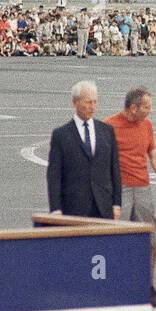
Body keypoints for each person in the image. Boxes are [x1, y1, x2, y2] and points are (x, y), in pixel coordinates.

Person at [106, 87, 156, 307]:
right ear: (133, 108)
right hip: (119, 190)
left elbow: (154, 154)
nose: (149, 112)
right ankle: (117, 285)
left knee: (149, 239)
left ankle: (147, 284)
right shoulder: (109, 126)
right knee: (118, 239)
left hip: (142, 187)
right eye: (146, 107)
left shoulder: (146, 126)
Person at [47, 79, 122, 219]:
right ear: (75, 102)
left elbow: (115, 169)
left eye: (95, 102)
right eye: (88, 102)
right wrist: (55, 208)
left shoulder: (106, 131)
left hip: (103, 206)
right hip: (73, 206)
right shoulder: (61, 135)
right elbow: (54, 175)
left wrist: (117, 203)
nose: (92, 107)